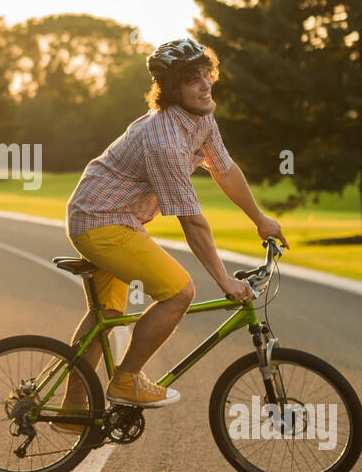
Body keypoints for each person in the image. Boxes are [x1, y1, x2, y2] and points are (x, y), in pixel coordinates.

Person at [58, 37, 289, 423]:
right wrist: (224, 281)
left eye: (206, 74)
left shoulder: (200, 119)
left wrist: (260, 218)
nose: (204, 85)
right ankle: (126, 380)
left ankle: (70, 410)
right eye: (191, 79)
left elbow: (224, 170)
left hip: (114, 218)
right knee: (179, 292)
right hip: (102, 222)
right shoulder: (165, 140)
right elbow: (192, 221)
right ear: (170, 89)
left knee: (108, 313)